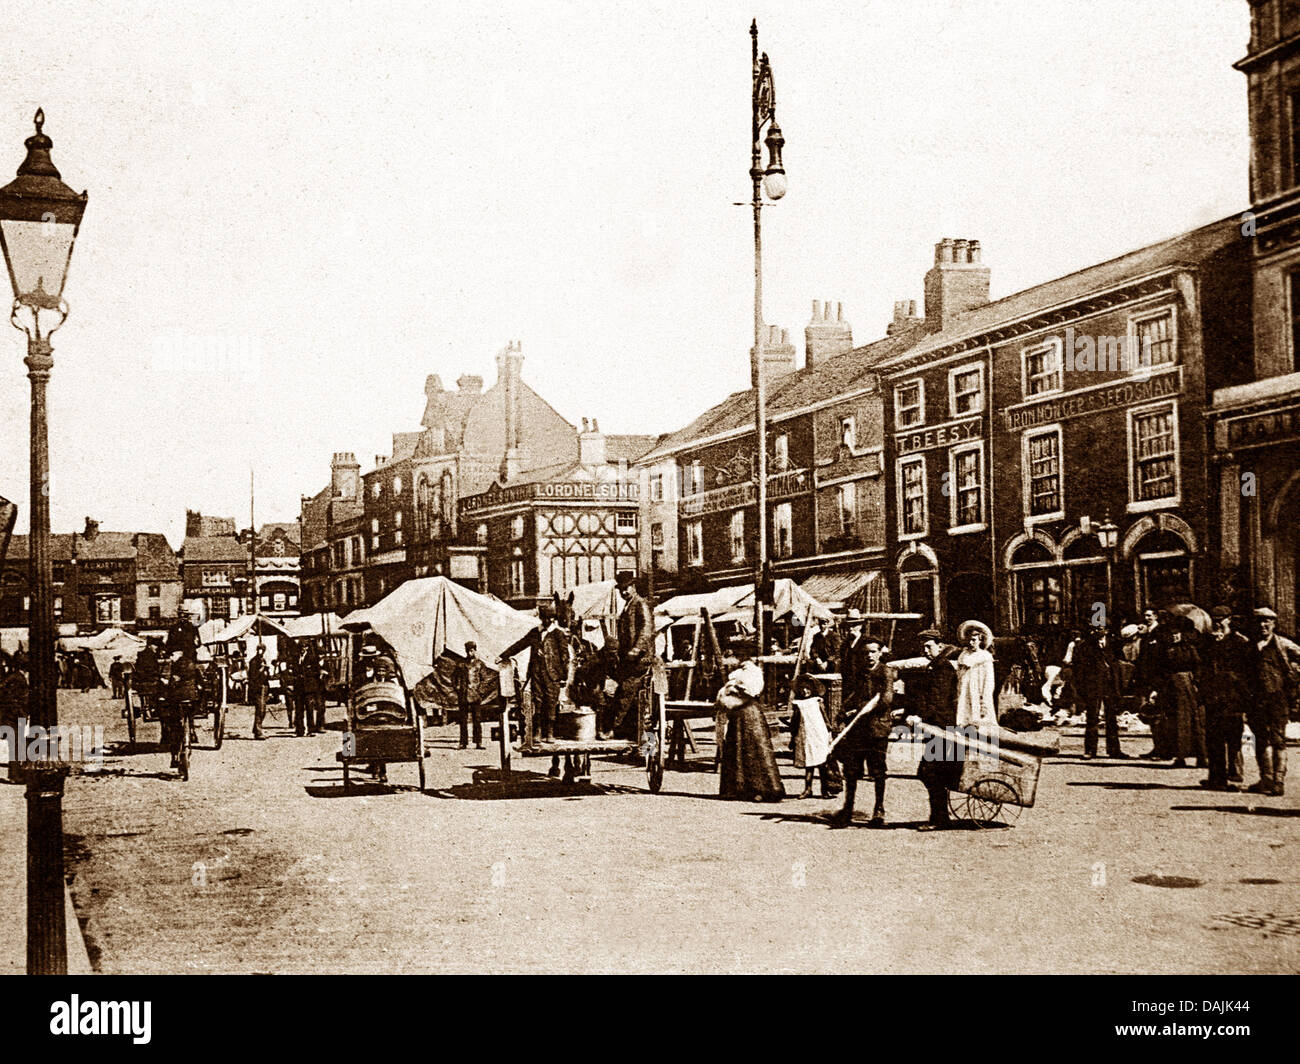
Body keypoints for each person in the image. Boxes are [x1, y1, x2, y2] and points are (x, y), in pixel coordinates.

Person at [829, 637, 896, 827]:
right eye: (866, 652)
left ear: (880, 652)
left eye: (873, 651)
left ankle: (879, 809)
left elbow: (886, 699)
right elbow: (854, 694)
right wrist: (843, 710)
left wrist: (861, 709)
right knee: (851, 770)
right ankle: (848, 808)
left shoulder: (886, 672)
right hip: (858, 730)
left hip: (877, 728)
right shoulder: (860, 672)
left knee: (878, 770)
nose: (869, 656)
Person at [1248, 607, 1300, 796]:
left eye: (1267, 622)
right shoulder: (1250, 645)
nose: (1263, 626)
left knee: (1278, 740)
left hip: (1278, 699)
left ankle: (1278, 781)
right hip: (1256, 700)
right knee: (1261, 739)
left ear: (1273, 624)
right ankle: (1266, 779)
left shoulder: (1283, 644)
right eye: (1259, 622)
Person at [912, 629, 961, 831]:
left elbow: (937, 701)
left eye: (929, 646)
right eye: (923, 646)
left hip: (943, 728)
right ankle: (939, 817)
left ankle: (939, 819)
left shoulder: (943, 668)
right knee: (931, 773)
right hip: (937, 728)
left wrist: (920, 717)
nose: (925, 650)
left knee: (930, 773)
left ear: (940, 646)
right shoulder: (935, 666)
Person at [1200, 606, 1252, 792]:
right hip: (1214, 697)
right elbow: (1203, 669)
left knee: (1234, 737)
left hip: (1233, 698)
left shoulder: (1240, 643)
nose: (1217, 623)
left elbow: (1246, 672)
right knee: (1214, 738)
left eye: (1221, 620)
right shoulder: (1208, 643)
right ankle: (1216, 777)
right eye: (1214, 620)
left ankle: (1235, 773)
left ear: (1229, 619)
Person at [718, 659, 784, 802]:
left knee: (755, 749)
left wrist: (737, 690)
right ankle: (740, 789)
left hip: (749, 713)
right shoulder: (740, 674)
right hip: (741, 713)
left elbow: (751, 690)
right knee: (741, 748)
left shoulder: (753, 674)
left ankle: (760, 789)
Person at [1149, 616, 1204, 768]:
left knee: (1195, 721)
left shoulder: (1189, 648)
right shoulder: (1166, 650)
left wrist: (1196, 682)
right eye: (1172, 634)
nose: (1174, 636)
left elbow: (1198, 666)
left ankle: (1202, 756)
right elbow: (1161, 670)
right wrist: (1158, 688)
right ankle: (1180, 755)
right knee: (1176, 722)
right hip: (1171, 687)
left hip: (1188, 685)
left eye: (1177, 633)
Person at [610, 571, 654, 741]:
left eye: (626, 588)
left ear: (633, 586)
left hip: (639, 660)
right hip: (628, 660)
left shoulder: (640, 604)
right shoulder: (628, 606)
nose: (623, 592)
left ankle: (616, 728)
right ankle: (630, 734)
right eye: (621, 589)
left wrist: (636, 650)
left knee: (625, 691)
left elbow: (646, 629)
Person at [1072, 626, 1126, 759]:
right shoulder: (1085, 646)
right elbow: (1079, 669)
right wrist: (1083, 688)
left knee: (1112, 718)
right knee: (1092, 718)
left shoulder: (1113, 643)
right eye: (1096, 630)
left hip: (1110, 685)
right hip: (1093, 686)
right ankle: (1090, 750)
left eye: (1102, 629)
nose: (1099, 632)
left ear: (1107, 631)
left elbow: (1120, 663)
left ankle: (1114, 750)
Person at [954, 620, 997, 727]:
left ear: (980, 640)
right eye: (969, 640)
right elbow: (959, 673)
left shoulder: (985, 656)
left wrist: (985, 694)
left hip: (978, 688)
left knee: (979, 713)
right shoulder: (964, 655)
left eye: (974, 640)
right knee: (964, 708)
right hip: (965, 688)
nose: (971, 643)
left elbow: (989, 679)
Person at [457, 641, 487, 750]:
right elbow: (455, 678)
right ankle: (463, 742)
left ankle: (478, 742)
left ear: (475, 650)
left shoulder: (480, 664)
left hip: (476, 695)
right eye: (468, 651)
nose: (470, 653)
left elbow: (485, 680)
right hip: (464, 695)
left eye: (472, 650)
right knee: (463, 720)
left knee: (477, 719)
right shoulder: (461, 664)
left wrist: (480, 691)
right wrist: (458, 688)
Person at [248, 645, 270, 740]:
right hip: (258, 687)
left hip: (264, 686)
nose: (260, 652)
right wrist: (261, 669)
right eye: (259, 650)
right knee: (260, 710)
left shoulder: (263, 660)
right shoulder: (254, 661)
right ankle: (258, 731)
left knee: (263, 710)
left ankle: (256, 729)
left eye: (262, 650)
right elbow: (253, 676)